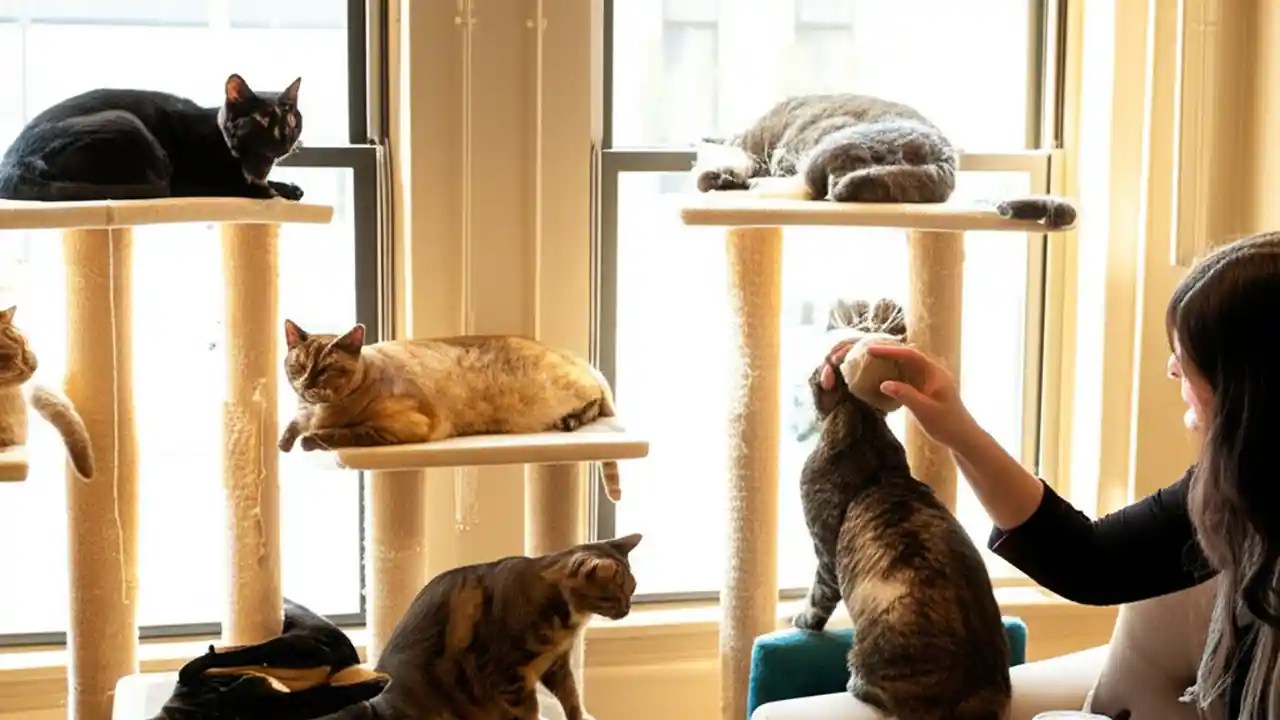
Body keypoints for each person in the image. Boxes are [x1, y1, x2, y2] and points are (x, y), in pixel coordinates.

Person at [820, 232, 1280, 719]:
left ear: (1250, 387)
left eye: (1189, 356)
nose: (1171, 369)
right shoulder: (1238, 490)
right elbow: (1087, 559)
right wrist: (953, 424)